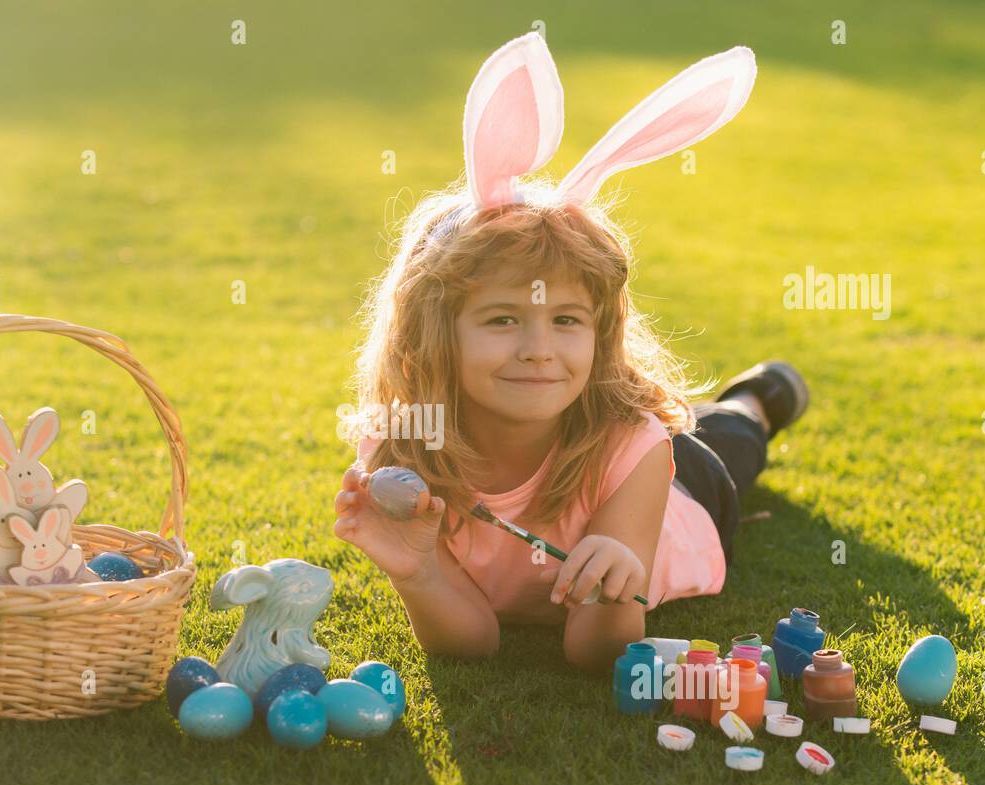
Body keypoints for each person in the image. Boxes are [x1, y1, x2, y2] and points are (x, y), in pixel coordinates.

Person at [333, 33, 807, 671]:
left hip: (675, 486)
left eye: (565, 320)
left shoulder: (634, 450)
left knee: (725, 441)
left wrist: (617, 585)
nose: (538, 351)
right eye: (502, 319)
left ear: (600, 333)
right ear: (434, 332)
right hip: (615, 438)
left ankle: (759, 400)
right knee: (677, 425)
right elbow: (472, 643)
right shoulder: (402, 449)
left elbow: (595, 653)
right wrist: (418, 572)